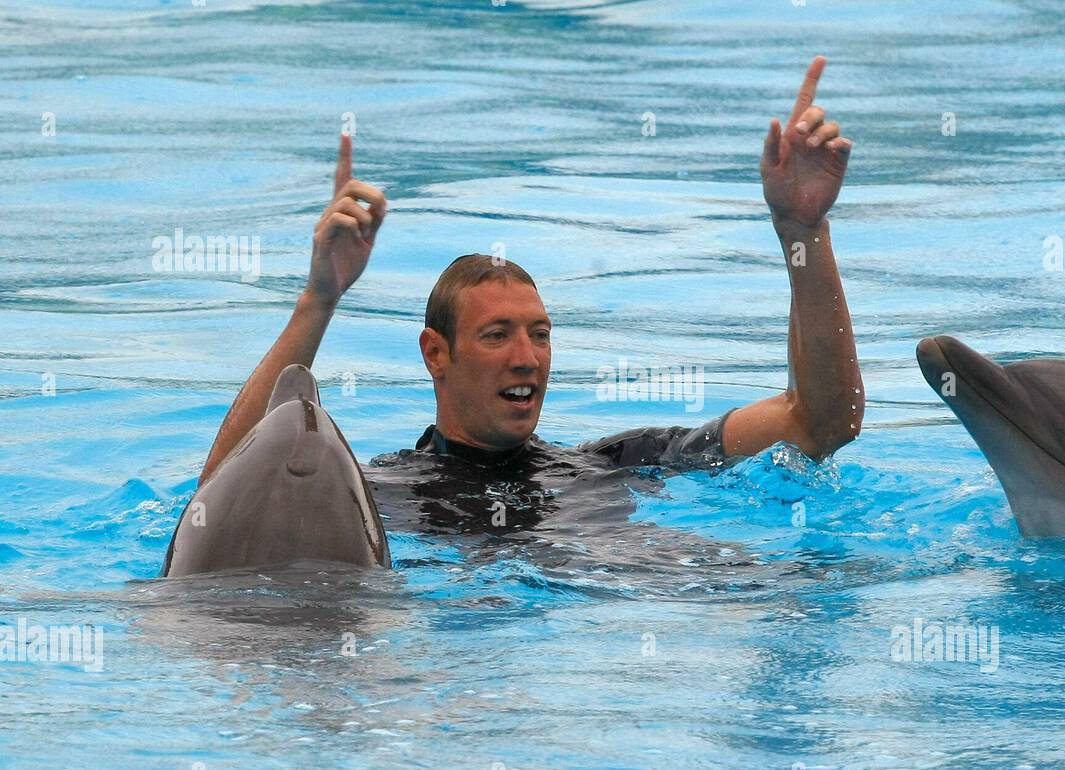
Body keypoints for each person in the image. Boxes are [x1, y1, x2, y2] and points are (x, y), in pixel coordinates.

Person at [198, 57, 864, 539]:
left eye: (540, 334)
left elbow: (821, 423)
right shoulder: (375, 494)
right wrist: (319, 299)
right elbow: (221, 506)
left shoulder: (619, 465)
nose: (528, 358)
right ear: (436, 354)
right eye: (497, 336)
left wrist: (802, 232)